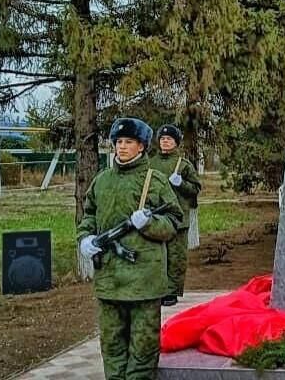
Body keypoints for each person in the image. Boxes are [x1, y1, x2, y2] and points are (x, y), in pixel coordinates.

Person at [78, 117, 182, 380]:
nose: (122, 147)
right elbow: (88, 214)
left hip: (144, 281)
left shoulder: (154, 181)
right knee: (112, 345)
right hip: (110, 280)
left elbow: (173, 222)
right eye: (118, 142)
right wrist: (85, 239)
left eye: (129, 142)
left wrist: (148, 223)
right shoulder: (101, 181)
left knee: (143, 347)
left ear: (142, 147)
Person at [149, 123, 201, 306]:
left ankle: (171, 292)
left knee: (175, 257)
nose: (165, 142)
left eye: (169, 139)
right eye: (162, 139)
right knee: (156, 256)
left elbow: (196, 188)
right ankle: (157, 290)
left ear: (176, 142)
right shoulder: (150, 163)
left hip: (177, 217)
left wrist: (181, 183)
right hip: (155, 217)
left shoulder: (183, 165)